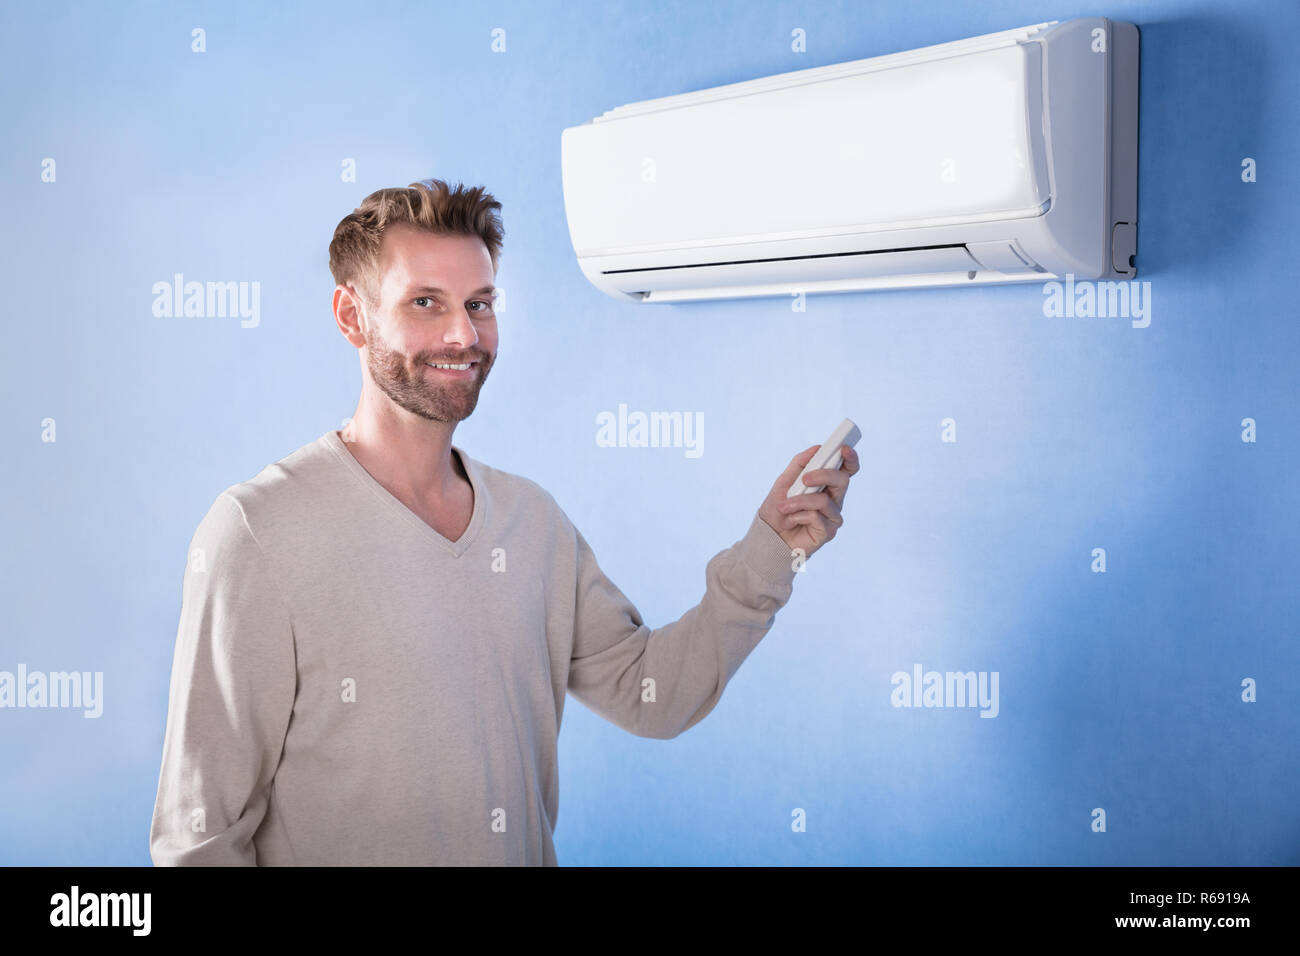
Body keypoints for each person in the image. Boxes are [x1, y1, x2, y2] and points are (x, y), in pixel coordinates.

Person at [149, 178, 858, 865]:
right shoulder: (259, 531)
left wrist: (772, 551)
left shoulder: (533, 524)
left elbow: (653, 695)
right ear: (350, 317)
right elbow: (200, 838)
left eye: (480, 303)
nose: (463, 334)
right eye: (425, 302)